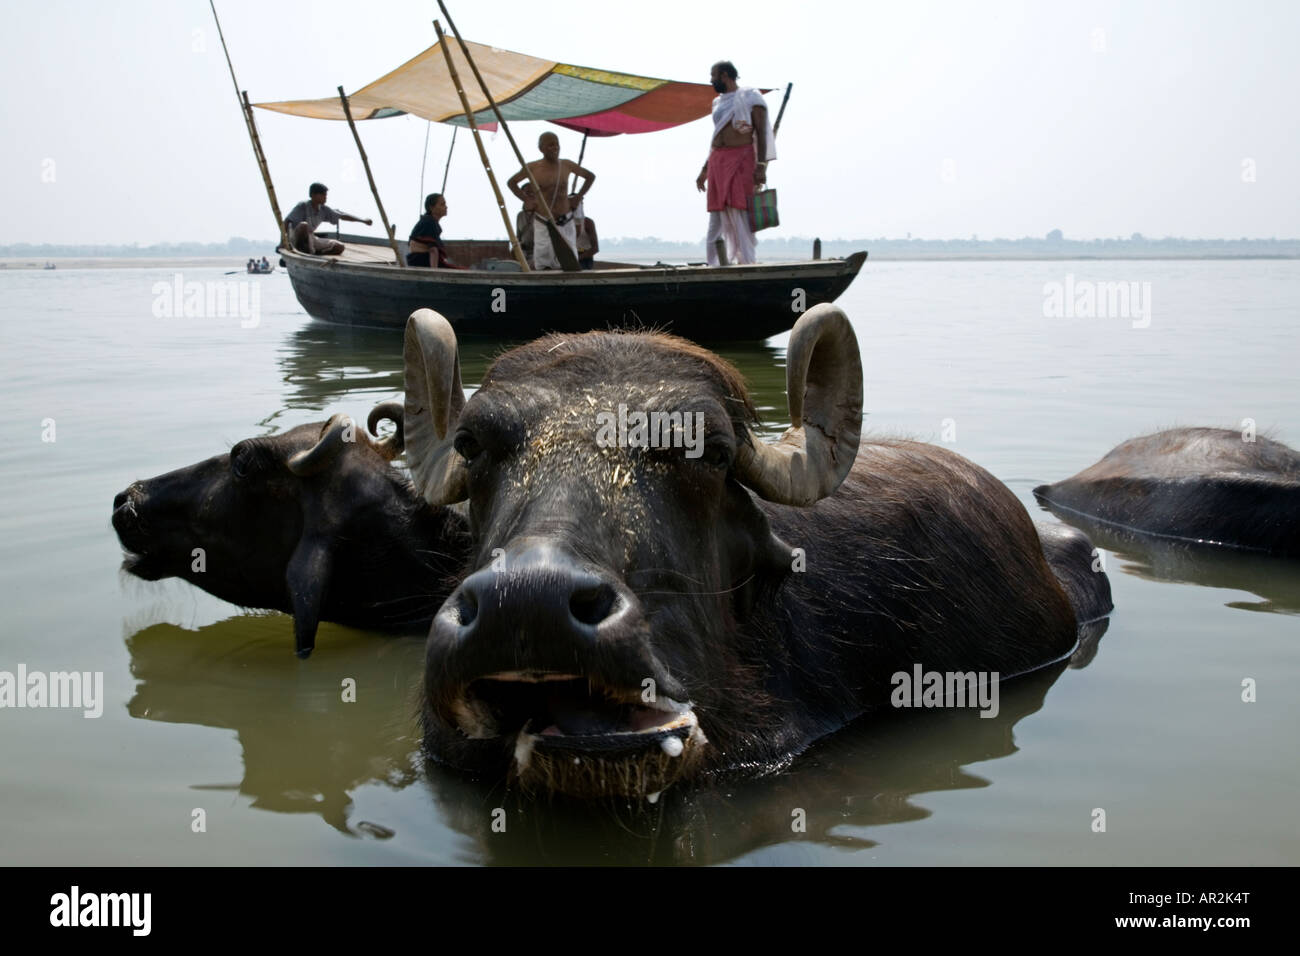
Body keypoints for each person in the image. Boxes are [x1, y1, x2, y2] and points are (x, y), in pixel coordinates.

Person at [695, 61, 775, 265]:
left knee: (740, 211)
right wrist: (704, 170)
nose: (711, 80)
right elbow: (716, 137)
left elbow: (762, 131)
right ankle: (713, 263)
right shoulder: (717, 102)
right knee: (716, 215)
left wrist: (761, 165)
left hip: (742, 159)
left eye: (713, 76)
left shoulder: (750, 96)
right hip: (717, 161)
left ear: (724, 75)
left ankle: (746, 261)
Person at [506, 132, 595, 270]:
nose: (555, 147)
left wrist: (577, 197)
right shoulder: (532, 168)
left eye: (557, 144)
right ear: (541, 148)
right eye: (550, 144)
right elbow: (512, 182)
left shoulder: (566, 165)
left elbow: (590, 177)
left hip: (566, 221)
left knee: (569, 261)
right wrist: (526, 200)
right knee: (543, 262)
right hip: (543, 221)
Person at [284, 183, 372, 256]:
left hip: (311, 238)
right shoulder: (302, 206)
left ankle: (317, 254)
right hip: (295, 239)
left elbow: (342, 215)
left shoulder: (323, 209)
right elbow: (286, 221)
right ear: (313, 195)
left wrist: (363, 221)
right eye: (322, 195)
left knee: (339, 246)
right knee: (304, 225)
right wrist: (283, 242)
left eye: (325, 195)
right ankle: (303, 251)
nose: (325, 197)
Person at [407, 193, 466, 269]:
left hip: (418, 261)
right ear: (432, 208)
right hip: (423, 261)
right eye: (442, 204)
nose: (446, 207)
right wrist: (434, 272)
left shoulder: (428, 221)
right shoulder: (429, 222)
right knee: (462, 271)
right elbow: (433, 250)